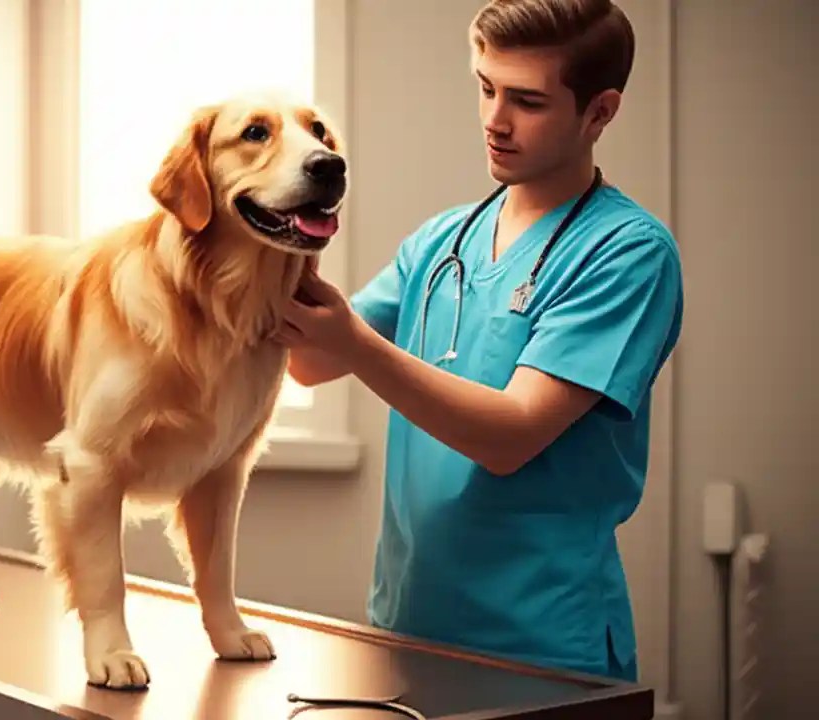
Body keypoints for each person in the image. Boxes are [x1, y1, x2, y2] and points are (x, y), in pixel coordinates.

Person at [276, 0, 683, 682]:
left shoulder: (626, 253)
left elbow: (509, 437)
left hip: (543, 649)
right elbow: (310, 361)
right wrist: (270, 235)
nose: (495, 120)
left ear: (600, 113)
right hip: (407, 630)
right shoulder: (441, 242)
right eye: (485, 87)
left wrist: (351, 341)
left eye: (527, 100)